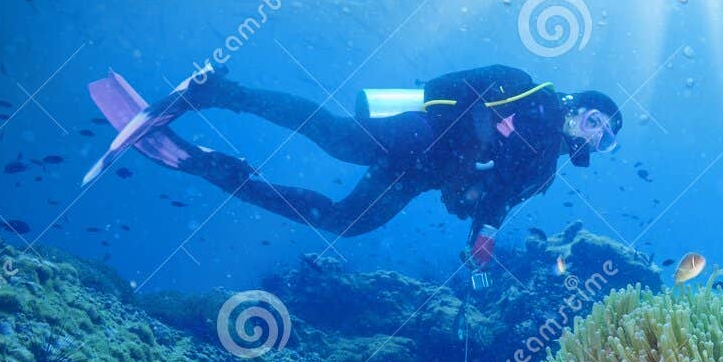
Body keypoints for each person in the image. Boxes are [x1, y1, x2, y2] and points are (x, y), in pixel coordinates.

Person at [83, 64, 621, 285]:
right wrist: (474, 153)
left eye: (607, 136)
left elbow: (496, 199)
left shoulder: (545, 170)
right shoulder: (534, 95)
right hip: (420, 137)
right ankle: (217, 91)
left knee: (346, 221)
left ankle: (213, 166)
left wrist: (480, 236)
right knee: (340, 139)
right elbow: (451, 87)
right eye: (595, 119)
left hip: (419, 175)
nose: (595, 135)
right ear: (577, 105)